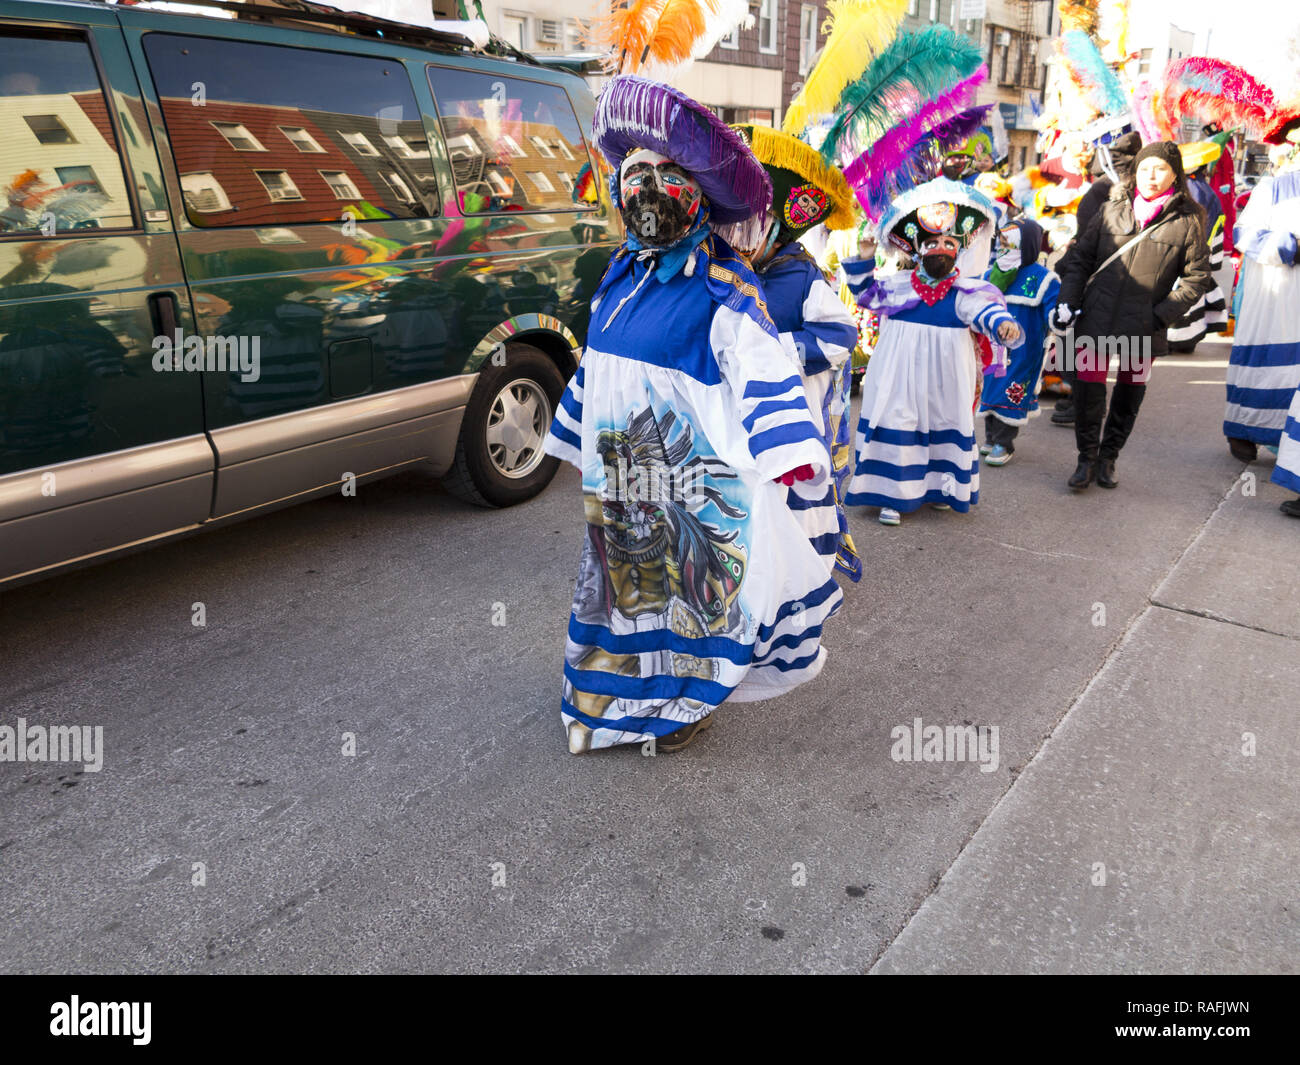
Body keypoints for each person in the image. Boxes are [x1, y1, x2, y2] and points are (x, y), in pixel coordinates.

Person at [542, 76, 842, 755]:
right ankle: (610, 693)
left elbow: (764, 367)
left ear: (703, 194)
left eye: (668, 172)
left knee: (683, 592)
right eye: (637, 171)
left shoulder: (726, 287)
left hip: (689, 483)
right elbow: (600, 363)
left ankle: (682, 704)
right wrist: (571, 432)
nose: (647, 187)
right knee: (623, 583)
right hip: (621, 477)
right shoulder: (621, 273)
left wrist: (790, 453)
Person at [840, 178, 1023, 525]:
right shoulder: (897, 284)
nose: (941, 247)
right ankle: (892, 495)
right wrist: (865, 257)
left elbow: (987, 313)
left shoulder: (969, 291)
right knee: (898, 420)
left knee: (944, 421)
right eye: (933, 241)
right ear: (919, 248)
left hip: (946, 375)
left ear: (960, 248)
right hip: (898, 373)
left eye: (949, 241)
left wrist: (1003, 325)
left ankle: (942, 488)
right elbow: (865, 294)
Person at [726, 124, 863, 581]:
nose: (739, 238)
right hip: (741, 410)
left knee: (792, 494)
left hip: (794, 409)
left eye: (751, 228)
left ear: (776, 230)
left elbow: (842, 335)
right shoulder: (724, 269)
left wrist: (777, 352)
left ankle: (803, 572)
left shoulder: (803, 277)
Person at [1054, 141, 1213, 491]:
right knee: (1088, 388)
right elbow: (1080, 260)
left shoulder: (1188, 220)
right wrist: (1067, 301)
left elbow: (1198, 277)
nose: (1151, 176)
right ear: (1135, 171)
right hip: (1097, 315)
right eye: (1145, 168)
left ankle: (1109, 457)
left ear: (1175, 174)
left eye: (1160, 169)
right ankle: (1086, 458)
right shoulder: (1111, 209)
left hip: (1144, 325)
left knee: (1130, 391)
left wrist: (1160, 316)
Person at [1048, 130, 1142, 426]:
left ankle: (1083, 400)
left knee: (1074, 334)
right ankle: (1083, 398)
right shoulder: (1125, 184)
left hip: (1091, 270)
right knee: (1092, 342)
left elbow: (1089, 232)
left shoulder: (1106, 187)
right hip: (1111, 273)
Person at [1223, 138, 1300, 463]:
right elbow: (1246, 234)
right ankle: (1243, 430)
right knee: (1266, 359)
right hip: (1275, 296)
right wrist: (1292, 245)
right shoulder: (1274, 186)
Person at [977, 216, 1059, 465]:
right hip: (991, 347)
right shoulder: (990, 274)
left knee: (1011, 390)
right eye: (1000, 243)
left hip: (1024, 349)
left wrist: (1059, 318)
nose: (1003, 249)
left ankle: (1004, 442)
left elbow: (1053, 311)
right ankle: (991, 436)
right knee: (989, 386)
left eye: (1009, 244)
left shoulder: (1043, 278)